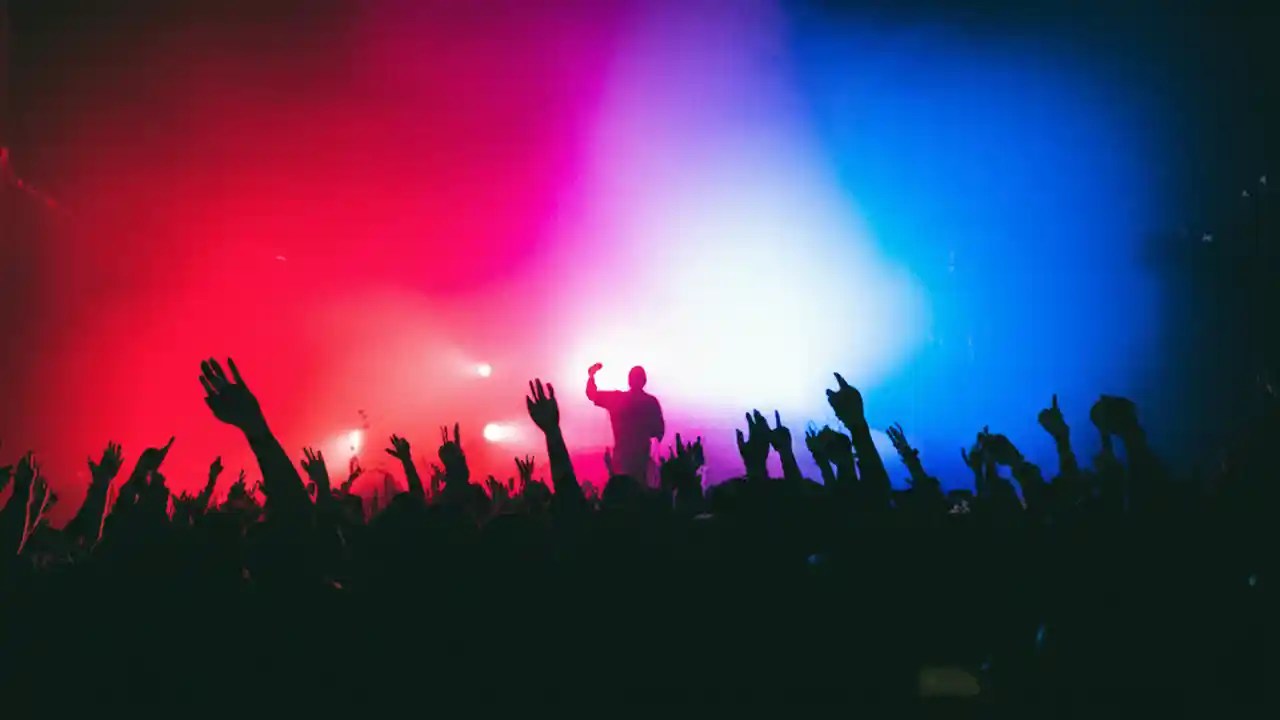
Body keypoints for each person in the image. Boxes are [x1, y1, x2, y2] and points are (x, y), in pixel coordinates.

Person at [586, 363, 665, 486]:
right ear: (644, 381)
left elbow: (592, 394)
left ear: (629, 380)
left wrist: (591, 376)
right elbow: (658, 432)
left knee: (620, 492)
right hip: (640, 459)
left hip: (621, 458)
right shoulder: (651, 402)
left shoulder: (617, 399)